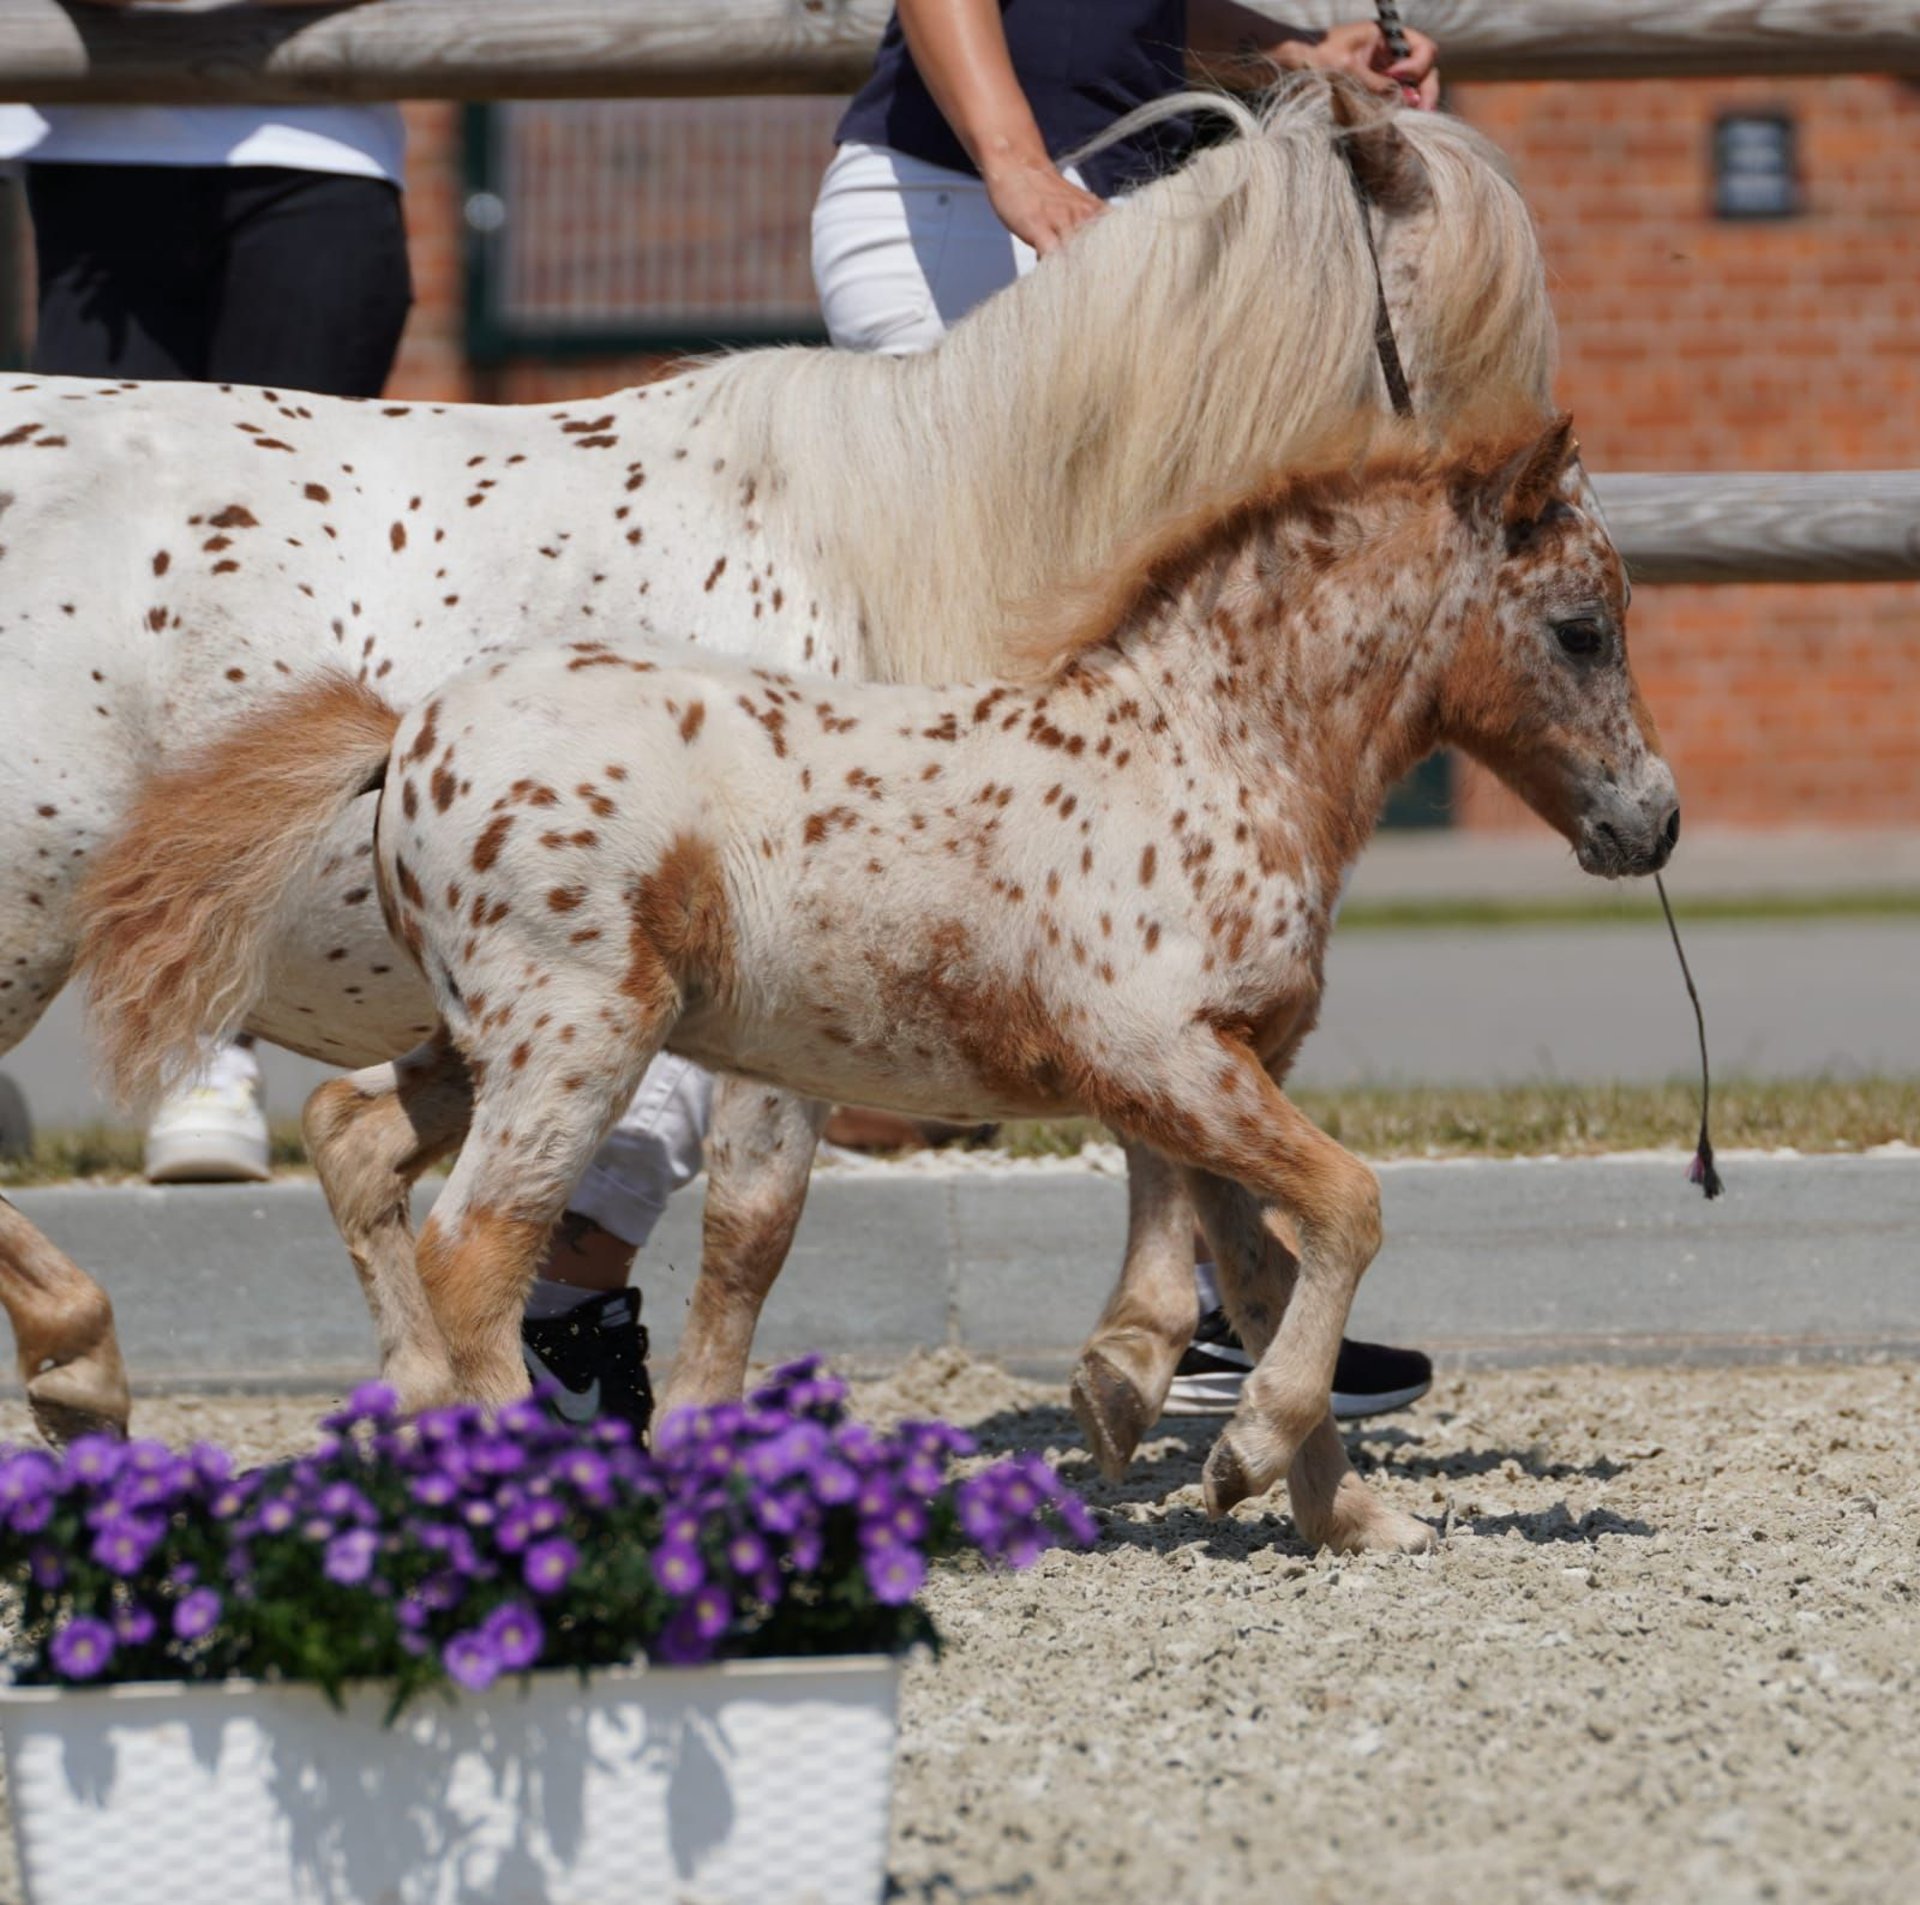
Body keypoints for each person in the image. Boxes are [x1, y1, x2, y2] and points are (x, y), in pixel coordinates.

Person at [812, 0, 1440, 1420]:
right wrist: (1019, 164)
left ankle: (1205, 1291)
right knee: (979, 703)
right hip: (959, 215)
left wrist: (1299, 61)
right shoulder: (1000, 178)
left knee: (1164, 747)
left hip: (1124, 235)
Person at [0, 6, 412, 1190]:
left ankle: (220, 1038)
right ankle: (181, 1044)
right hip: (94, 151)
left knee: (278, 620)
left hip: (322, 150)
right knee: (91, 629)